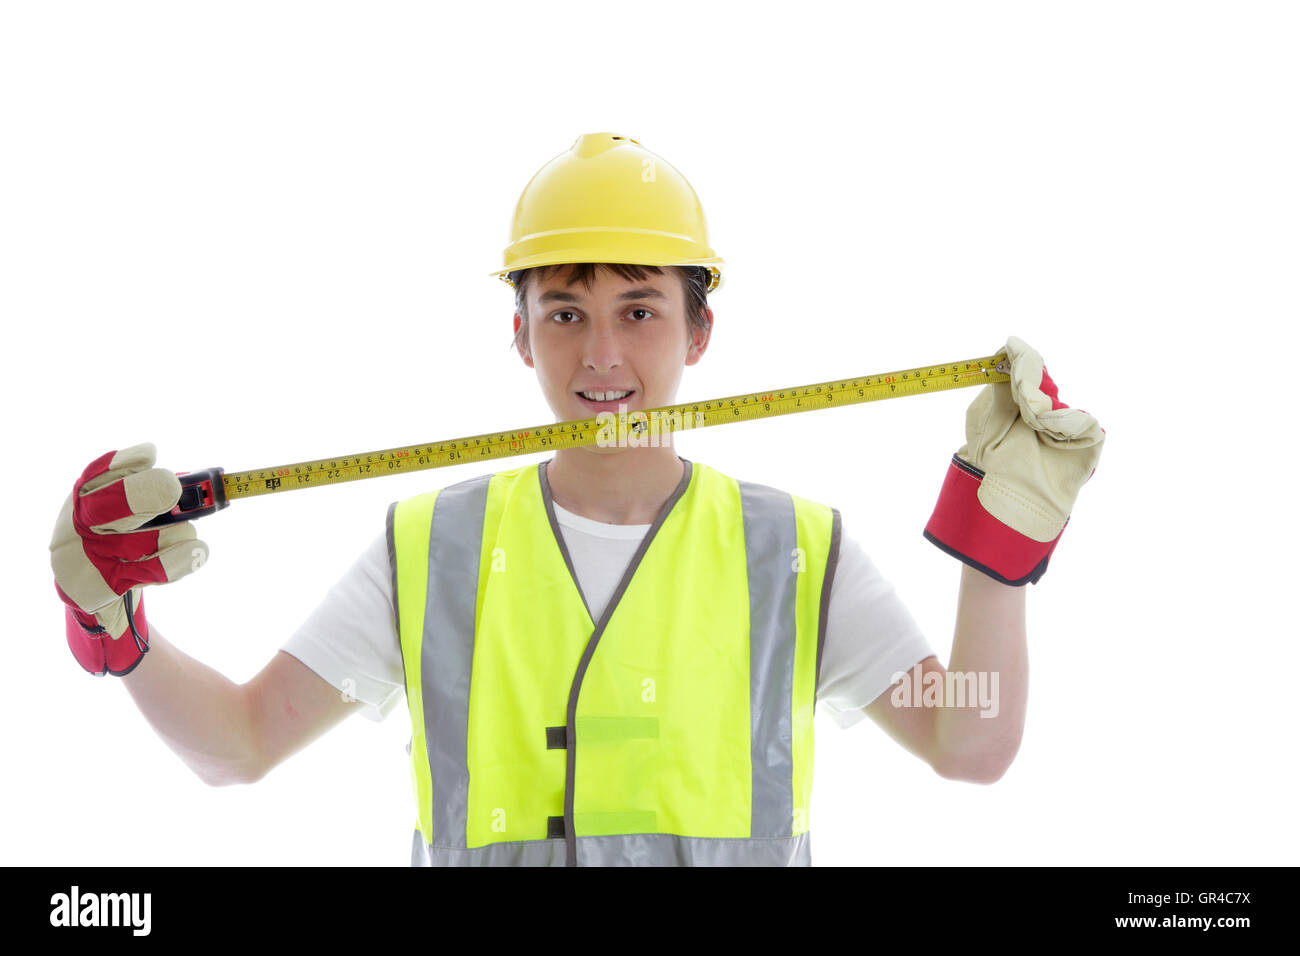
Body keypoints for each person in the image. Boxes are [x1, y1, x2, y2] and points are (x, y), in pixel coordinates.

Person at [50, 132, 1106, 866]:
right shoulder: (432, 549)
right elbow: (238, 744)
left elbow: (972, 742)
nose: (602, 356)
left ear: (699, 334)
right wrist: (117, 631)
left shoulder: (793, 550)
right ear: (518, 334)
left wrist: (996, 550)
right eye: (564, 313)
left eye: (639, 309)